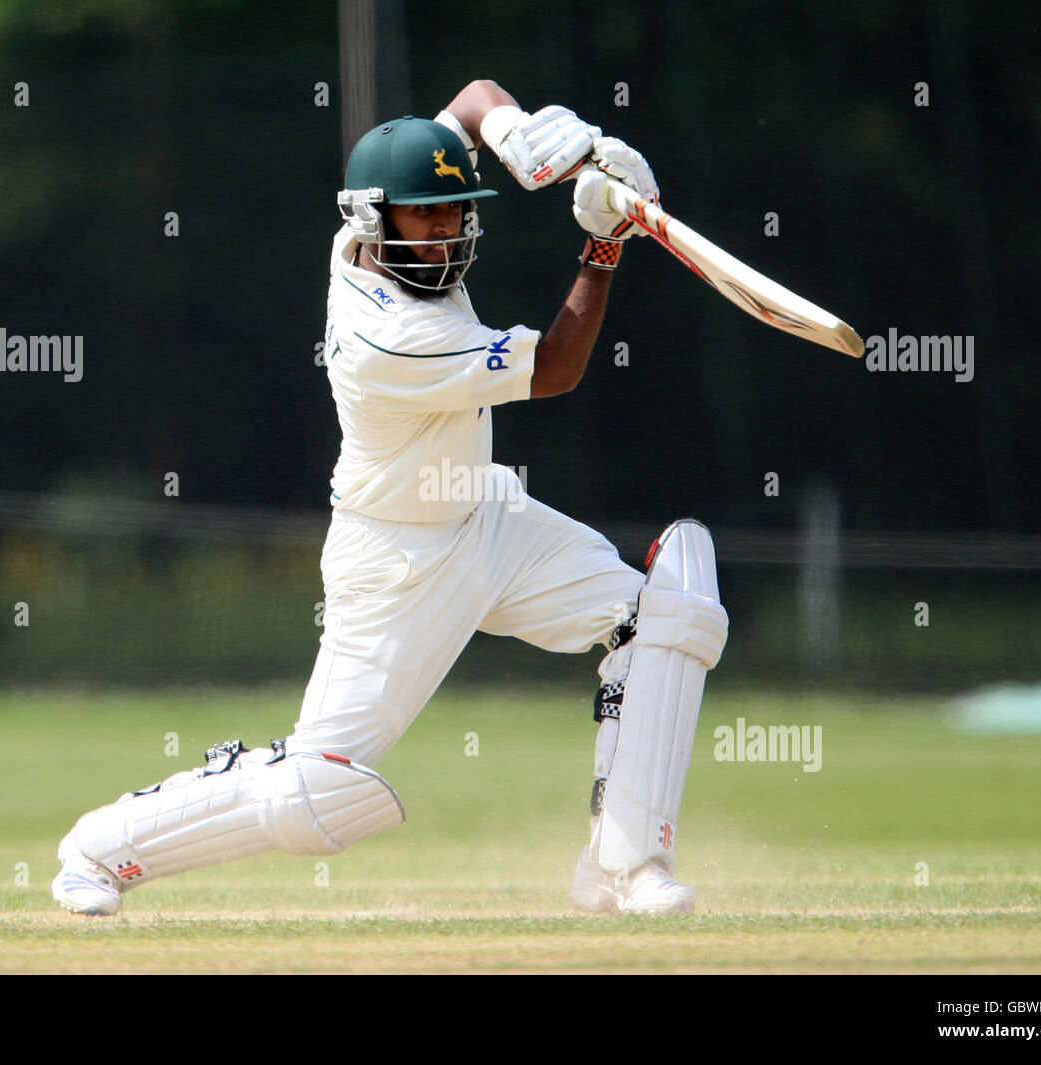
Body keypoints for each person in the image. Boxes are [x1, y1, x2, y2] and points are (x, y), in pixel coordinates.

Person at [51, 80, 728, 918]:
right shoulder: (394, 337)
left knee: (670, 611)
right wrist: (602, 247)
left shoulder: (375, 222)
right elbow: (555, 368)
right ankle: (101, 845)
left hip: (487, 516)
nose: (446, 231)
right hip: (398, 562)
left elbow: (473, 98)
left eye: (455, 212)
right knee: (315, 788)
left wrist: (523, 138)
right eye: (427, 217)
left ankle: (625, 868)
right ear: (377, 222)